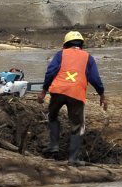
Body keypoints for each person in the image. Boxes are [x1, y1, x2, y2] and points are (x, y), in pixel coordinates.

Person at [39, 31, 107, 165]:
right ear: (81, 44)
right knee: (78, 126)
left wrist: (43, 91)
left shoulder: (60, 54)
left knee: (52, 117)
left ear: (65, 44)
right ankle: (73, 159)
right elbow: (95, 78)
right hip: (76, 93)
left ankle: (54, 146)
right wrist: (102, 95)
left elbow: (51, 72)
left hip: (58, 90)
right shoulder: (88, 57)